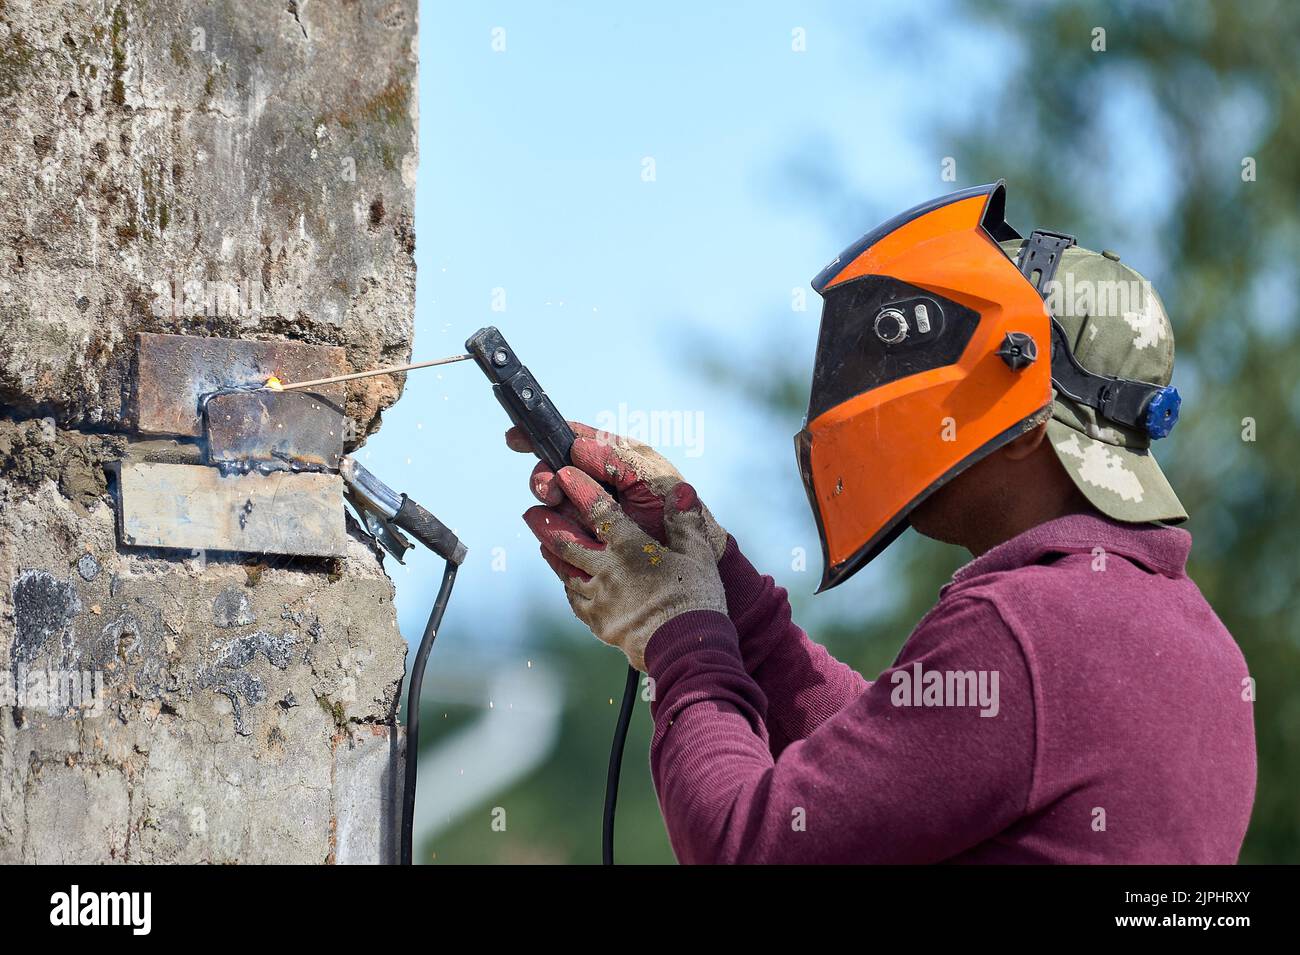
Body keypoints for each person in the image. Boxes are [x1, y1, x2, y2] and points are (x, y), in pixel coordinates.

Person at [511, 183, 1257, 864]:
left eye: (946, 364)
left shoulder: (1023, 627)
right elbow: (897, 765)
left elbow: (747, 846)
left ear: (1032, 420)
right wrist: (718, 571)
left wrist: (677, 633)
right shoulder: (1201, 649)